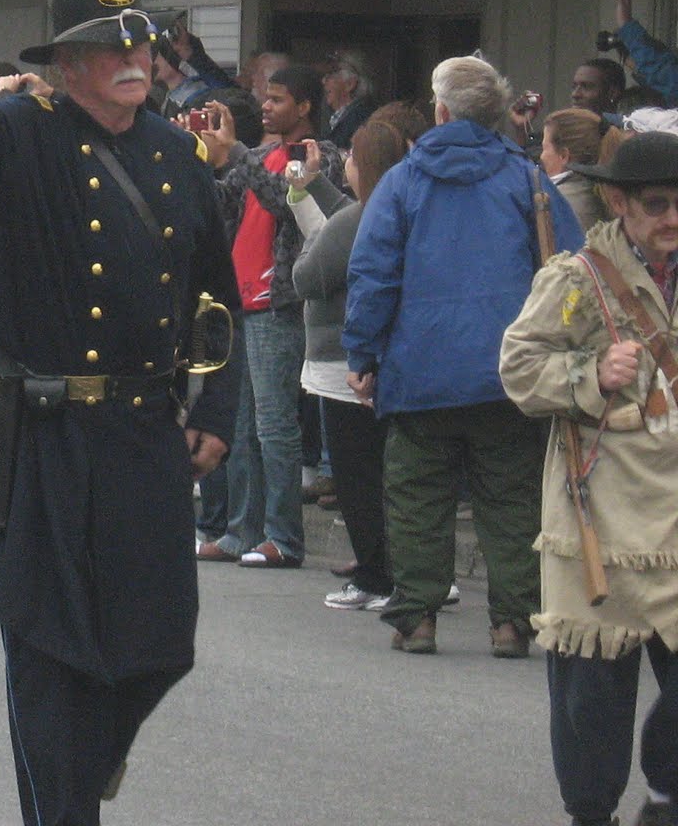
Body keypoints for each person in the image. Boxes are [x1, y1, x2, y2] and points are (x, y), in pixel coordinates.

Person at [0, 0, 242, 826]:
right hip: (44, 439)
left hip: (143, 435)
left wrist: (217, 410)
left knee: (159, 648)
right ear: (66, 63)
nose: (135, 57)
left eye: (141, 41)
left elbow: (216, 300)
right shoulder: (18, 135)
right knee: (50, 660)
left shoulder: (177, 156)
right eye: (110, 45)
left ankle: (87, 762)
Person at [344, 54, 584, 656]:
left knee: (417, 497)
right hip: (510, 371)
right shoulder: (528, 180)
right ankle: (512, 623)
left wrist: (362, 353)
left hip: (420, 369)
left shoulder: (403, 181)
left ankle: (417, 618)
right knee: (512, 500)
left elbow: (373, 274)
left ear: (442, 111)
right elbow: (572, 270)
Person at [500, 130, 678, 826]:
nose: (672, 219)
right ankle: (591, 814)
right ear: (619, 203)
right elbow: (519, 369)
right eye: (657, 204)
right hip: (598, 515)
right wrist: (589, 373)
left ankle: (665, 795)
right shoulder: (577, 279)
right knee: (591, 698)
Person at [195, 66, 345, 568]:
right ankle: (242, 533)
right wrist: (199, 159)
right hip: (239, 303)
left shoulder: (322, 155)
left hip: (279, 305)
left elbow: (284, 199)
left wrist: (237, 154)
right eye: (265, 97)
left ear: (304, 106)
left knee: (274, 425)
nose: (266, 106)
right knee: (240, 429)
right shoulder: (258, 155)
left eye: (277, 99)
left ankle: (283, 537)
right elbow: (222, 205)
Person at [289, 121, 410, 610]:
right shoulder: (400, 207)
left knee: (357, 477)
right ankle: (414, 574)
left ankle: (375, 576)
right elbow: (342, 208)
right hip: (390, 359)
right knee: (395, 475)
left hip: (344, 362)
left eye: (353, 159)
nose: (348, 167)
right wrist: (312, 183)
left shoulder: (359, 218)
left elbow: (307, 276)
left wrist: (311, 237)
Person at [542, 107, 625, 233]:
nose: (541, 156)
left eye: (544, 148)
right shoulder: (611, 192)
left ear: (563, 155)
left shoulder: (556, 202)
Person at [322, 48, 377, 149]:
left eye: (330, 75)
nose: (324, 81)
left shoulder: (361, 120)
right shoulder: (336, 117)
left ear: (350, 84)